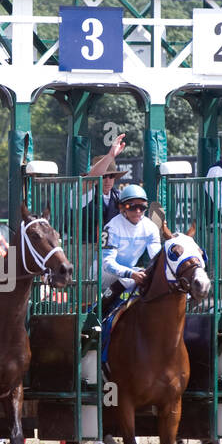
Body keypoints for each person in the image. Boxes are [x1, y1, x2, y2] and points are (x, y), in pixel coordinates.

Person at [100, 184, 162, 313]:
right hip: (103, 275)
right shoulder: (112, 227)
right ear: (122, 207)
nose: (138, 211)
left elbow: (156, 257)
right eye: (132, 206)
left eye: (142, 207)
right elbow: (107, 264)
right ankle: (97, 313)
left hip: (128, 272)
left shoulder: (150, 228)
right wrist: (131, 274)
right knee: (129, 278)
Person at [82, 133, 128, 230]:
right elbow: (90, 181)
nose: (108, 180)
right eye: (104, 176)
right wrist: (110, 155)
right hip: (88, 244)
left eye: (111, 176)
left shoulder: (119, 196)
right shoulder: (85, 193)